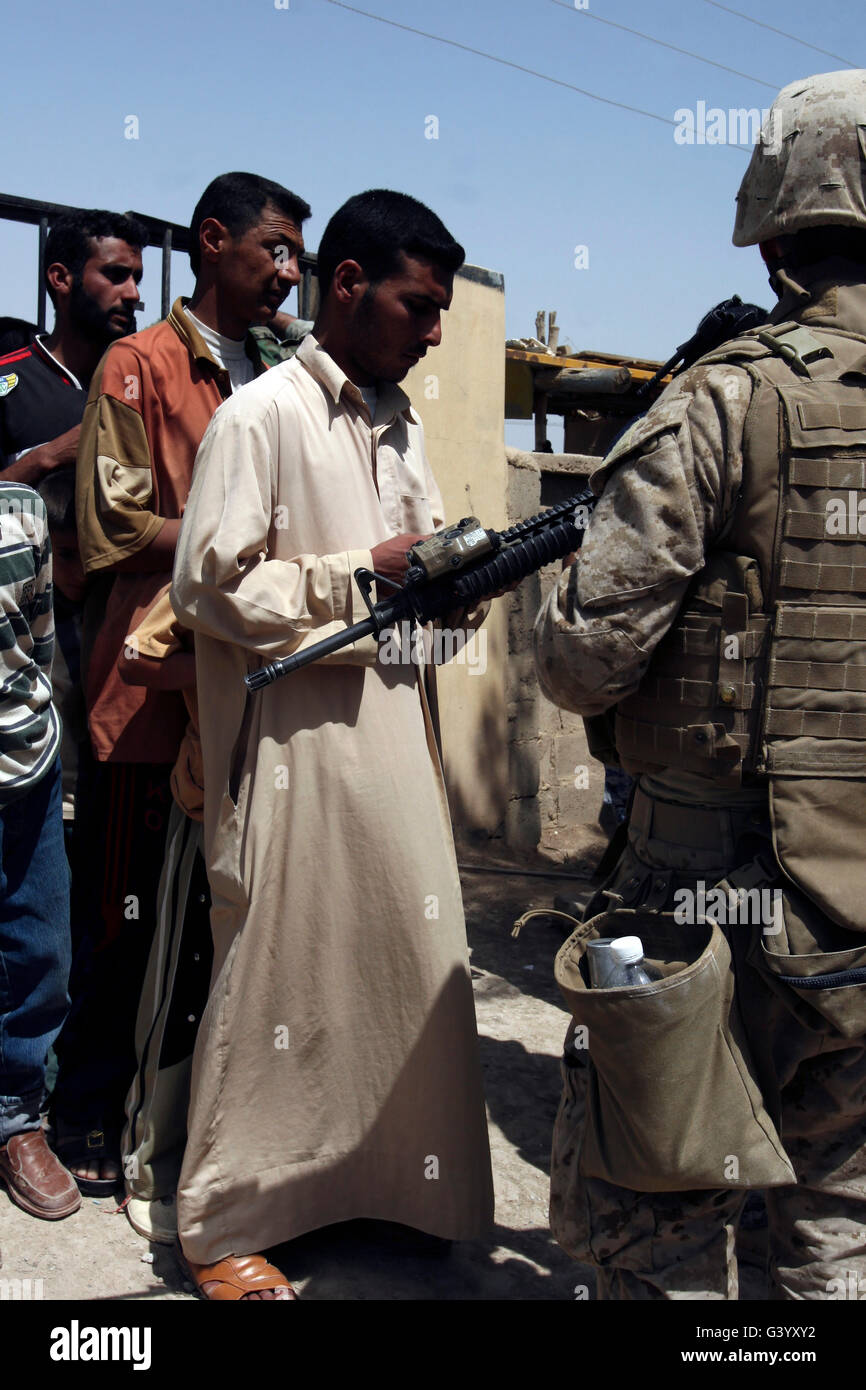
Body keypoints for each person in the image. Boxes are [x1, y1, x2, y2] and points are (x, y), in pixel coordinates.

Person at [534, 68, 866, 1300]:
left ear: (775, 233)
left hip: (700, 903)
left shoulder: (720, 401)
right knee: (830, 1233)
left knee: (657, 1225)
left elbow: (582, 659)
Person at [171, 189, 495, 1300]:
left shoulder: (399, 424)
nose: (435, 328)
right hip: (294, 756)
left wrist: (460, 588)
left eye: (444, 308)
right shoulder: (258, 417)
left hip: (398, 748)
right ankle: (224, 1222)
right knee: (285, 974)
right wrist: (363, 576)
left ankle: (393, 1189)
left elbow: (420, 570)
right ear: (346, 285)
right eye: (419, 303)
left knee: (403, 970)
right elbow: (207, 587)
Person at [55, 173, 310, 1199]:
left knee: (222, 922)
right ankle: (85, 1114)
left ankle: (194, 1116)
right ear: (212, 243)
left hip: (251, 690)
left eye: (297, 256)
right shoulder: (142, 362)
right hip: (151, 694)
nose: (287, 272)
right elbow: (112, 523)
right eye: (274, 250)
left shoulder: (287, 364)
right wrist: (234, 545)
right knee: (123, 920)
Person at [0, 480, 77, 1221]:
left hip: (26, 765)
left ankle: (17, 1118)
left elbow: (40, 639)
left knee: (41, 947)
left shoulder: (22, 510)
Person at [0, 211, 146, 479]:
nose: (133, 293)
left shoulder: (146, 385)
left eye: (136, 279)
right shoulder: (8, 384)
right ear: (61, 278)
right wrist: (47, 457)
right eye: (116, 275)